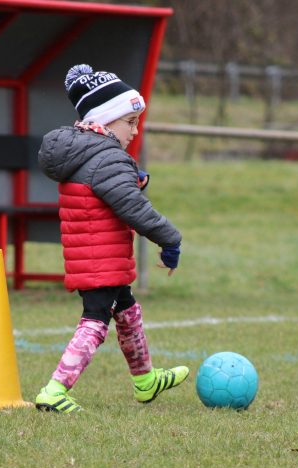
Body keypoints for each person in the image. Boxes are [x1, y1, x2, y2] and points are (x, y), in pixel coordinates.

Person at [34, 64, 187, 413]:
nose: (135, 131)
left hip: (98, 252)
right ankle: (54, 390)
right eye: (129, 122)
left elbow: (111, 185)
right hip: (99, 257)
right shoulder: (106, 157)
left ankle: (145, 381)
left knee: (128, 311)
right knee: (96, 321)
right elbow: (131, 206)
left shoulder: (92, 152)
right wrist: (170, 239)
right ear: (105, 120)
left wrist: (133, 174)